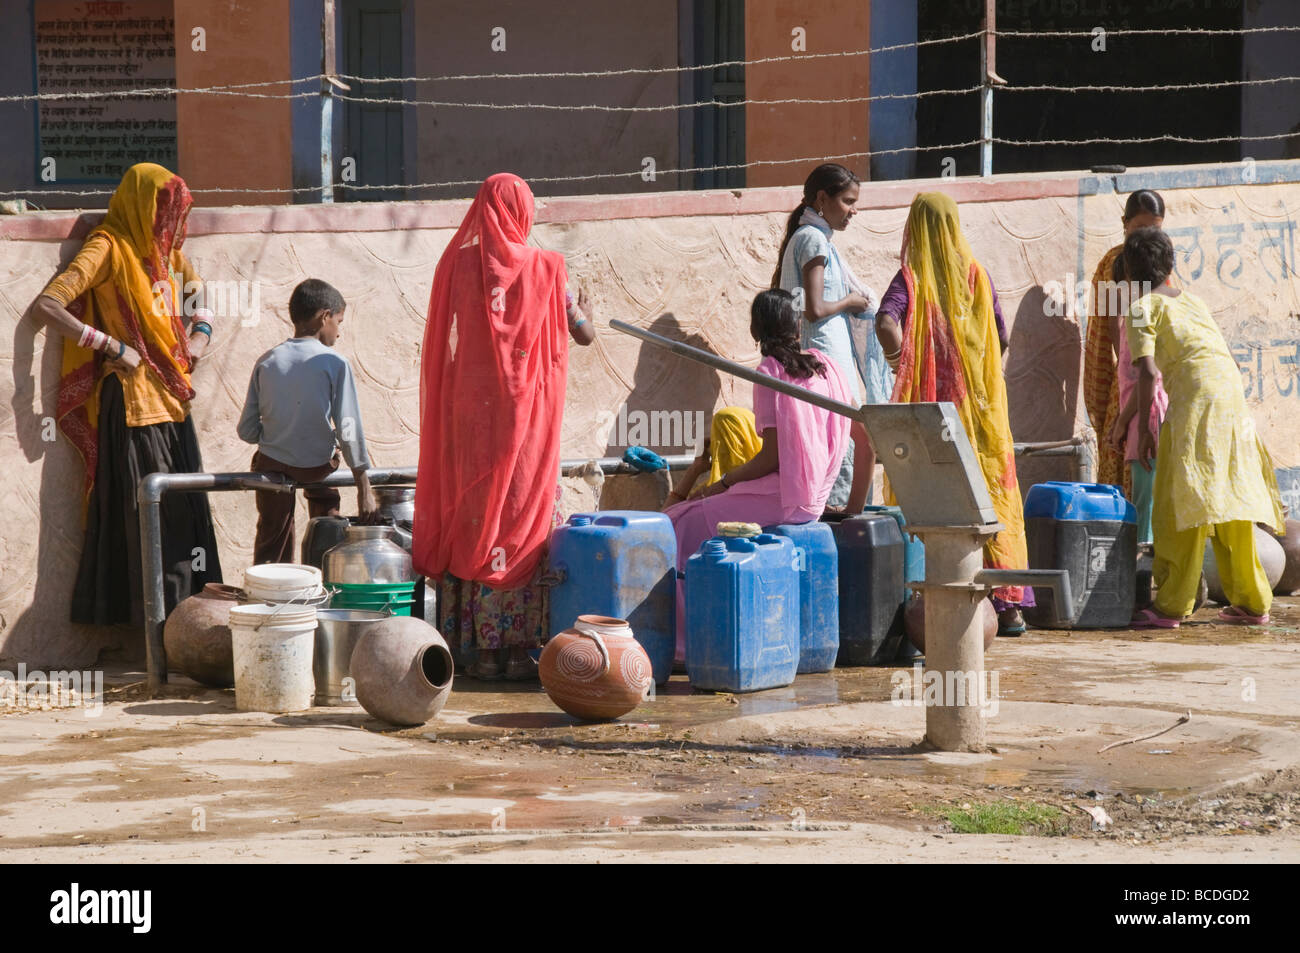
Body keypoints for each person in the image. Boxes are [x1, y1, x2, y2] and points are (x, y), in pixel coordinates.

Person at [414, 173, 595, 681]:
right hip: (528, 420)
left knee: (473, 511)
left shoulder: (456, 265)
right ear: (525, 211)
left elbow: (441, 340)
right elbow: (584, 336)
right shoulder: (546, 270)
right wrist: (584, 310)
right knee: (519, 513)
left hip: (470, 419)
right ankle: (517, 650)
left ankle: (477, 650)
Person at [29, 162, 222, 625]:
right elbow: (48, 305)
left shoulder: (166, 256)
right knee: (149, 519)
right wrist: (108, 343)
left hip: (174, 402)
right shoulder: (107, 248)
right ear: (139, 204)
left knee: (184, 514)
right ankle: (158, 635)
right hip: (133, 406)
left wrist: (199, 339)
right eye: (162, 210)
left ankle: (189, 629)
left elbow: (199, 295)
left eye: (173, 214)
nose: (169, 223)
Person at [665, 289, 871, 658]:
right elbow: (867, 441)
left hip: (784, 501)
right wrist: (849, 510)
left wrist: (721, 484)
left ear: (755, 329)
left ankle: (683, 644)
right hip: (811, 503)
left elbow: (771, 459)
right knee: (687, 519)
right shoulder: (829, 367)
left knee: (676, 525)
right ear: (796, 325)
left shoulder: (770, 372)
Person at [874, 191, 1032, 635]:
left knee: (936, 499)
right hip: (981, 414)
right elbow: (1000, 337)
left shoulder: (912, 277)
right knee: (990, 496)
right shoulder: (978, 276)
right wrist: (980, 377)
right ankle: (1010, 606)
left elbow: (886, 322)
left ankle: (938, 596)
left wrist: (900, 365)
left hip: (933, 417)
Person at [1123, 227, 1284, 627]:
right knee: (1230, 500)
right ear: (1170, 265)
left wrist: (1144, 429)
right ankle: (1252, 602)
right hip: (1231, 402)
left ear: (1130, 273)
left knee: (1182, 501)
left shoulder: (1143, 308)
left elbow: (1146, 373)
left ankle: (1171, 606)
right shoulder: (1194, 302)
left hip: (1196, 401)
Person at [237, 279, 378, 564]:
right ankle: (323, 585)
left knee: (272, 533)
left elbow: (247, 430)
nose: (338, 333)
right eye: (338, 321)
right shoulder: (335, 363)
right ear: (324, 316)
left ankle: (269, 597)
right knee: (327, 523)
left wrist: (277, 435)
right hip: (318, 467)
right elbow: (348, 427)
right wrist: (363, 483)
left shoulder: (267, 360)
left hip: (273, 465)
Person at [774, 163, 889, 508]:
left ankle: (844, 511)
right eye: (848, 201)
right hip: (824, 360)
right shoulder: (812, 240)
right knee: (842, 442)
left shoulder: (814, 238)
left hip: (825, 360)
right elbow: (815, 308)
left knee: (843, 440)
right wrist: (853, 301)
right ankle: (843, 514)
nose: (854, 210)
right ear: (823, 199)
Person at [1084, 189, 1169, 498]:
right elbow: (1110, 330)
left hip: (1157, 379)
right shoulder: (1114, 266)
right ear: (1125, 224)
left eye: (1154, 230)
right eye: (1140, 229)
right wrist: (1131, 372)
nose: (1146, 237)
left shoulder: (1161, 265)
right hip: (1131, 376)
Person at [1105, 255, 1168, 545]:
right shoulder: (1135, 321)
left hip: (1145, 418)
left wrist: (1121, 422)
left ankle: (1145, 576)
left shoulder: (1138, 320)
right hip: (1143, 418)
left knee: (1146, 504)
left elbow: (1147, 379)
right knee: (1148, 499)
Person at [663, 407, 763, 506]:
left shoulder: (709, 495)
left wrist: (694, 470)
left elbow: (667, 516)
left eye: (716, 436)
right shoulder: (771, 485)